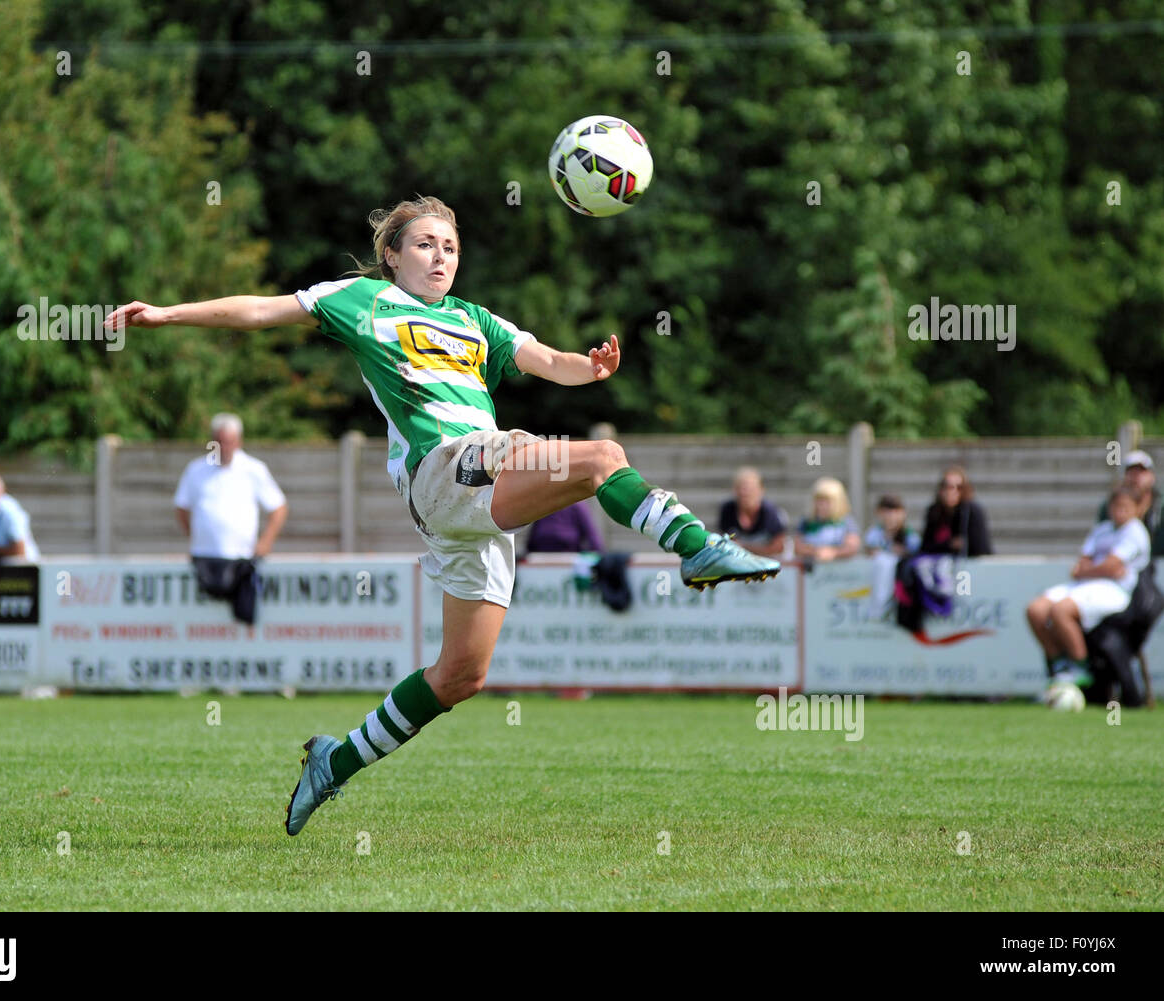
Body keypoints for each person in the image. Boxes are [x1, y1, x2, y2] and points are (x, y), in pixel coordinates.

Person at [104, 195, 780, 838]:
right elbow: (259, 310)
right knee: (601, 456)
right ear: (391, 256)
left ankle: (332, 762)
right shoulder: (361, 300)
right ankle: (694, 545)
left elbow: (547, 361)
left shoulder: (474, 319)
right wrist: (165, 314)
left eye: (450, 246)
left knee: (462, 674)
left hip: (472, 500)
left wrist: (591, 368)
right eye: (424, 244)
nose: (440, 257)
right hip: (444, 469)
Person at [1026, 485, 1151, 688]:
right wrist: (1097, 569)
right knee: (1035, 610)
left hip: (1113, 590)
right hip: (1083, 585)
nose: (1120, 511)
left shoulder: (1135, 531)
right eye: (1116, 506)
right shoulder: (1101, 529)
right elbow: (1084, 564)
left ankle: (1080, 668)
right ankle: (1059, 665)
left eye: (1126, 507)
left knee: (1061, 610)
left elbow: (1111, 566)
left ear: (1136, 508)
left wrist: (1090, 569)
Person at [172, 413, 288, 625]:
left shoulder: (254, 469)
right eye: (220, 441)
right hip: (204, 558)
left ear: (239, 442)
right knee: (201, 623)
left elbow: (278, 508)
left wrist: (265, 542)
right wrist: (195, 536)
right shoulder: (196, 469)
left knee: (243, 619)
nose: (224, 447)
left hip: (242, 559)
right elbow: (181, 507)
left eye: (229, 442)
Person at [1096, 450, 1164, 558]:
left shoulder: (1161, 508)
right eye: (1131, 472)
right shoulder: (1109, 507)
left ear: (1152, 476)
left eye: (1141, 471)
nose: (1136, 477)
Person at [920, 466, 992, 556]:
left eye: (958, 487)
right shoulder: (935, 512)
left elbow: (981, 548)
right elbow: (925, 547)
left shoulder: (971, 512)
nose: (951, 491)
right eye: (947, 486)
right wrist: (950, 544)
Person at [717, 466, 787, 557]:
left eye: (749, 489)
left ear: (760, 491)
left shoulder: (771, 513)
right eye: (741, 488)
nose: (744, 492)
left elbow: (779, 547)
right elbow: (724, 542)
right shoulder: (727, 510)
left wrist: (744, 547)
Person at [794, 477, 860, 563]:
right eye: (819, 500)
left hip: (839, 572)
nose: (822, 505)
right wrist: (817, 552)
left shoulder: (846, 522)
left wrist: (834, 553)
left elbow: (852, 546)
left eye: (827, 501)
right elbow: (798, 547)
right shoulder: (807, 521)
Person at [524, 500, 605, 554]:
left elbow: (591, 533)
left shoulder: (577, 505)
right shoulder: (545, 504)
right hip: (543, 554)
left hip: (567, 553)